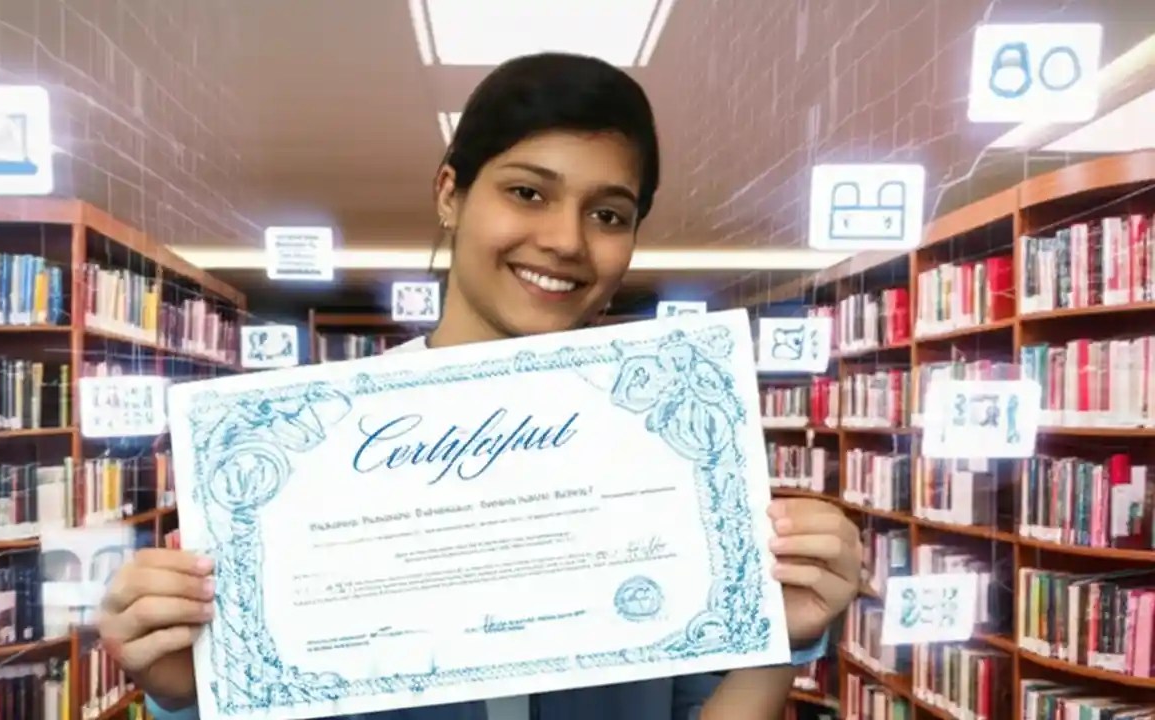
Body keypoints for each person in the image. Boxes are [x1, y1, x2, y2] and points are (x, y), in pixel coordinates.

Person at [98, 52, 862, 720]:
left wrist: (775, 637)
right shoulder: (311, 459)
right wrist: (191, 690)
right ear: (450, 193)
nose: (566, 240)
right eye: (528, 192)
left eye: (607, 212)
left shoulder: (666, 455)